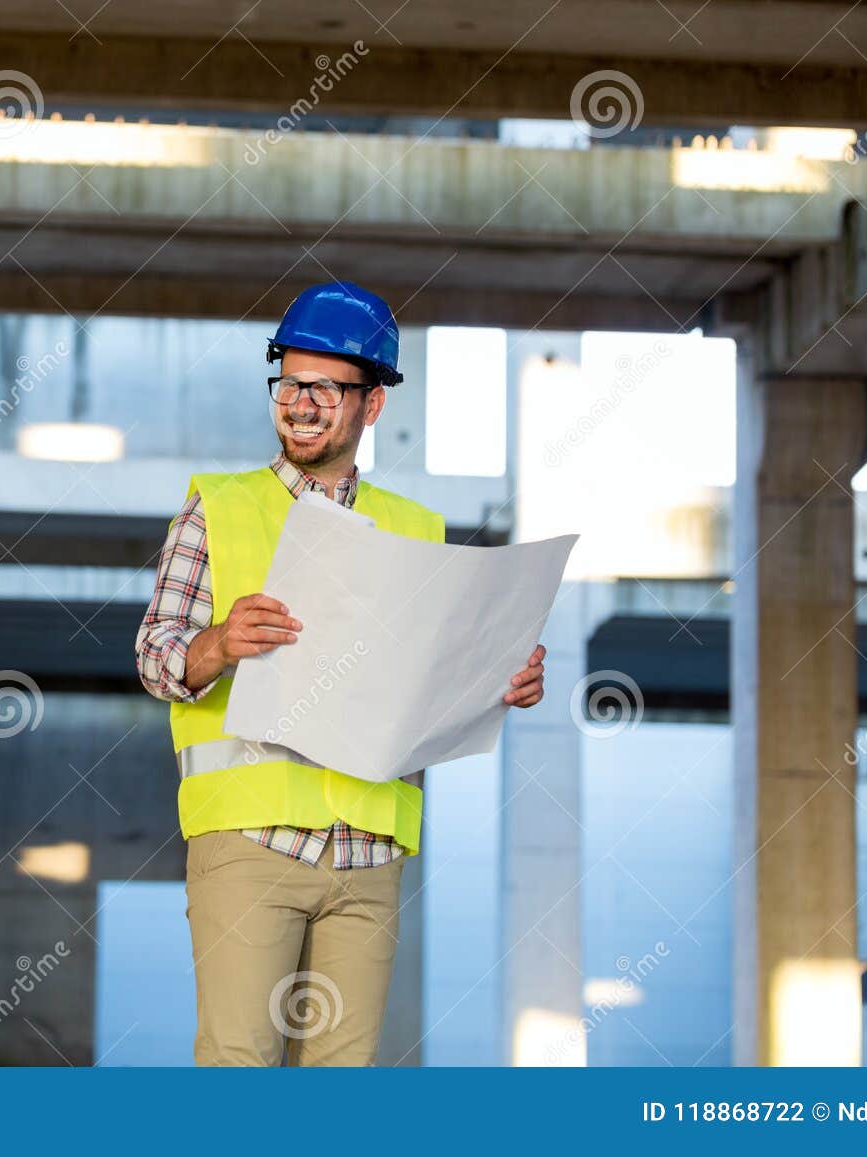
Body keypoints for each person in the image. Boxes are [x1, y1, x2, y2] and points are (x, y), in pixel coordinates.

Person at [135, 281, 546, 1066]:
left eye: (326, 387)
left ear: (371, 405)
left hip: (368, 853)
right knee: (237, 1072)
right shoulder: (216, 508)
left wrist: (500, 679)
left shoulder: (415, 530)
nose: (301, 403)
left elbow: (429, 684)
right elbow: (156, 655)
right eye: (288, 383)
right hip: (251, 842)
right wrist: (218, 642)